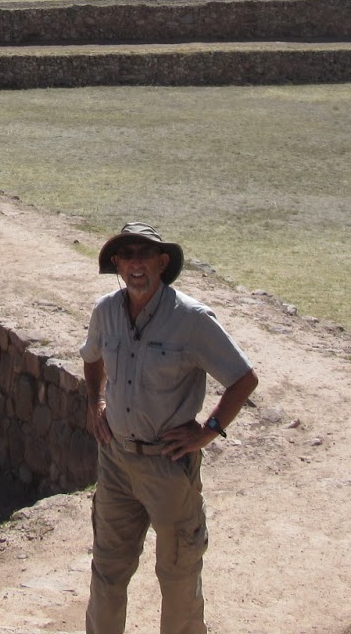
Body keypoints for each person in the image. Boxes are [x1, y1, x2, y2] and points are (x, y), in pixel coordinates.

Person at [80, 222, 259, 634]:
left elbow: (243, 379)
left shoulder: (191, 319)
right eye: (127, 255)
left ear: (162, 263)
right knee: (107, 570)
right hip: (116, 461)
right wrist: (95, 401)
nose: (136, 264)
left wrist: (208, 430)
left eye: (144, 254)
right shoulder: (105, 311)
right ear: (117, 264)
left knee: (179, 573)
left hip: (168, 464)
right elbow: (91, 356)